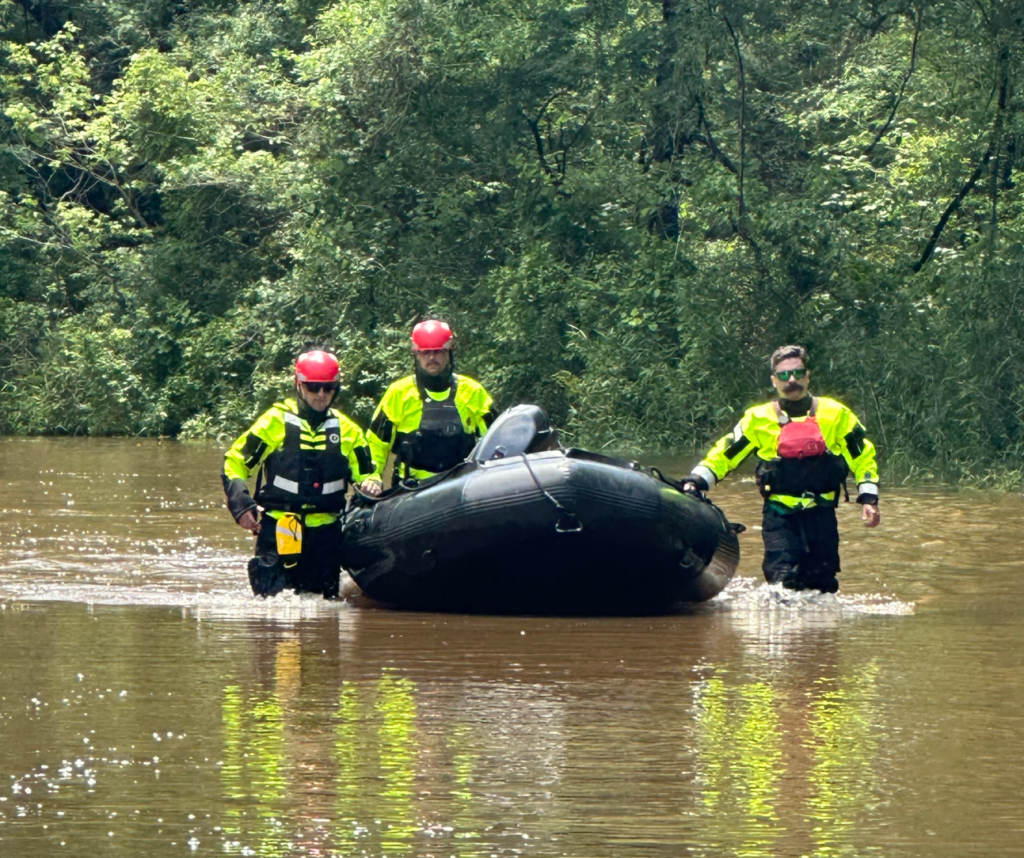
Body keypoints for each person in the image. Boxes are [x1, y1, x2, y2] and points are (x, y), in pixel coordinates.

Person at [683, 345, 880, 593]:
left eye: (797, 373)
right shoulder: (757, 419)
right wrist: (696, 480)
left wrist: (869, 497)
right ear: (774, 380)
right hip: (779, 516)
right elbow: (726, 454)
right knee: (782, 584)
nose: (792, 381)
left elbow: (863, 456)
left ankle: (821, 632)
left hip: (822, 516)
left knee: (823, 587)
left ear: (808, 376)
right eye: (784, 375)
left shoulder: (837, 415)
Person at [222, 349, 380, 598]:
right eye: (313, 387)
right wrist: (241, 505)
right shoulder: (275, 421)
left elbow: (368, 475)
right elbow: (235, 461)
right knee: (271, 619)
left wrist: (372, 483)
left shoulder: (348, 430)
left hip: (325, 536)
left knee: (323, 618)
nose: (320, 395)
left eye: (327, 388)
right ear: (299, 384)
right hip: (278, 529)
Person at [362, 320, 494, 493]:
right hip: (411, 492)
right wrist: (373, 476)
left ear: (448, 352)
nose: (432, 358)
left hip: (461, 488)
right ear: (417, 354)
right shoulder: (398, 393)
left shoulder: (473, 391)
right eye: (425, 352)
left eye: (437, 351)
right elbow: (376, 442)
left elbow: (495, 440)